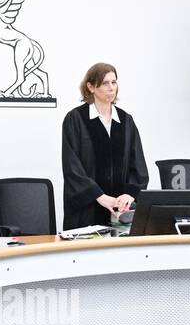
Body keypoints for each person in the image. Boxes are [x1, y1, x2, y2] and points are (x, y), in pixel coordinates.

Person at [60, 63, 148, 230]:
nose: (111, 88)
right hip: (87, 210)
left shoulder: (126, 120)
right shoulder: (76, 119)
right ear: (91, 87)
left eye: (114, 82)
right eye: (105, 83)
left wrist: (129, 194)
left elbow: (138, 164)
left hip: (121, 210)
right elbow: (72, 167)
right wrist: (99, 196)